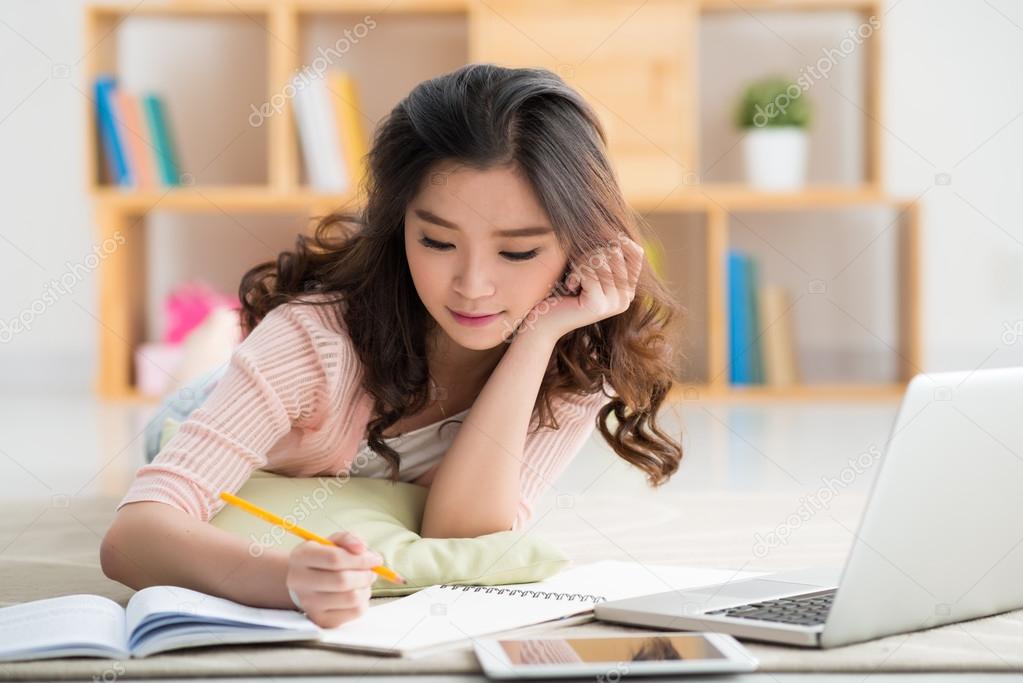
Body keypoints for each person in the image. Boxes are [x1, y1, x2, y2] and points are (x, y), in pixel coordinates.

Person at [101, 63, 685, 629]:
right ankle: (208, 340)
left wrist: (535, 339)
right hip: (213, 403)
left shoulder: (570, 357)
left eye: (518, 252)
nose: (473, 287)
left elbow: (462, 535)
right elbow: (134, 537)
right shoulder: (311, 341)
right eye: (436, 240)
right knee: (199, 377)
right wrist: (284, 580)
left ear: (580, 245)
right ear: (398, 223)